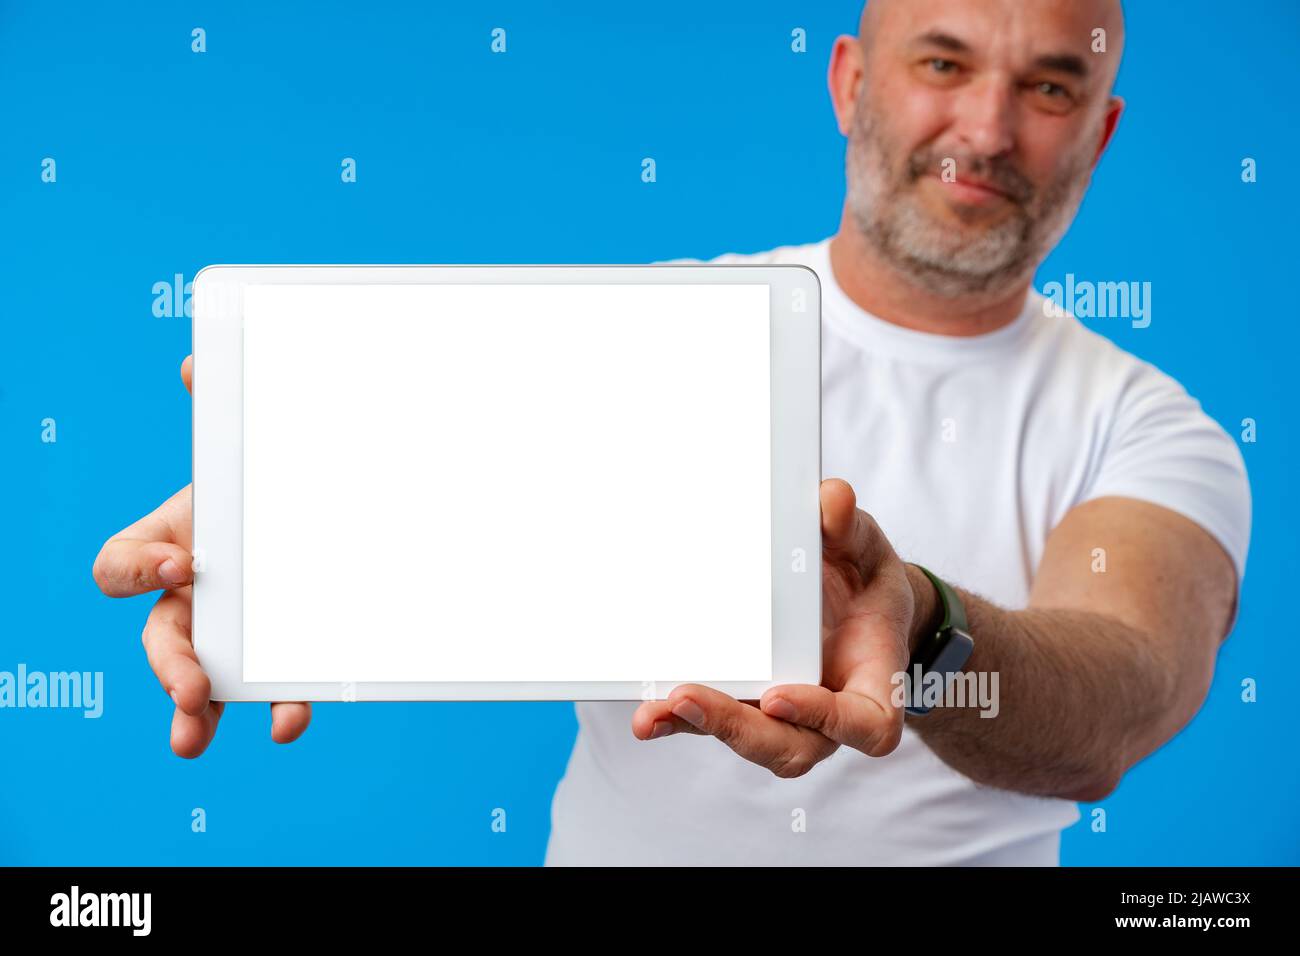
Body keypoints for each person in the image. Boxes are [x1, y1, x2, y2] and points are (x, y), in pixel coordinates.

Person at [93, 0, 1250, 866]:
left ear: (1098, 134)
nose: (986, 129)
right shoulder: (654, 333)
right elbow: (434, 492)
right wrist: (271, 530)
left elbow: (1122, 689)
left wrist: (921, 620)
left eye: (1049, 89)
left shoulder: (1148, 425)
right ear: (849, 84)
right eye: (942, 63)